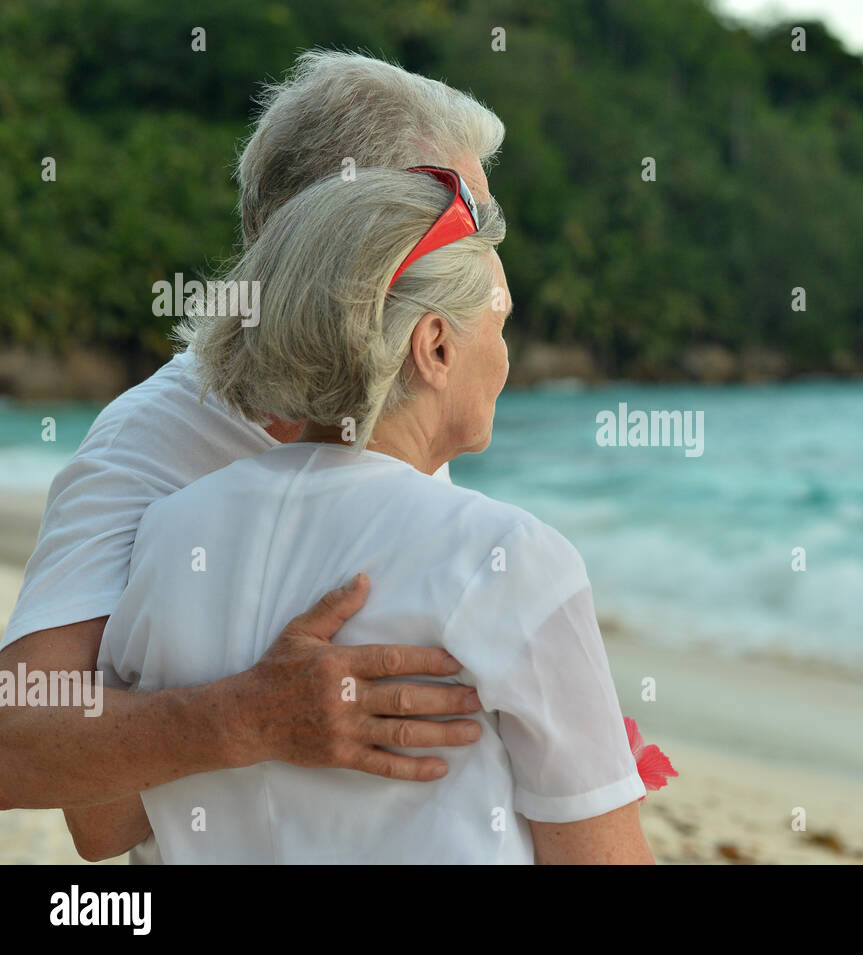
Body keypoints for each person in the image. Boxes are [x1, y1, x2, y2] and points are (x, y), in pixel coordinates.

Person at [0, 52, 504, 862]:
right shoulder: (148, 442)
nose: (488, 262)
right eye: (465, 218)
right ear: (349, 235)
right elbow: (17, 742)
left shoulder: (400, 404)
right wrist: (247, 717)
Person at [98, 166, 654, 863]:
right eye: (499, 321)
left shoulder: (166, 536)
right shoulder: (508, 557)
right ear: (435, 346)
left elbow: (102, 821)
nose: (506, 354)